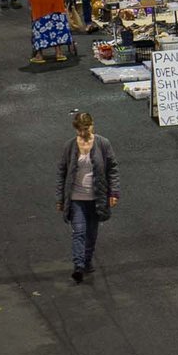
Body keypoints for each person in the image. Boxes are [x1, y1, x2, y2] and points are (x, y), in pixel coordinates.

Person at [55, 112, 119, 284]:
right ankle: (78, 266)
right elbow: (62, 173)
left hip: (96, 198)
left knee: (91, 233)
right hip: (76, 198)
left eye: (87, 128)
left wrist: (113, 193)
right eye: (81, 129)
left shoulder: (103, 143)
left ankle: (87, 260)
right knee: (79, 232)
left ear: (92, 125)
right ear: (75, 129)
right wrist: (60, 198)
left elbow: (112, 169)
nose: (85, 132)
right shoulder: (69, 147)